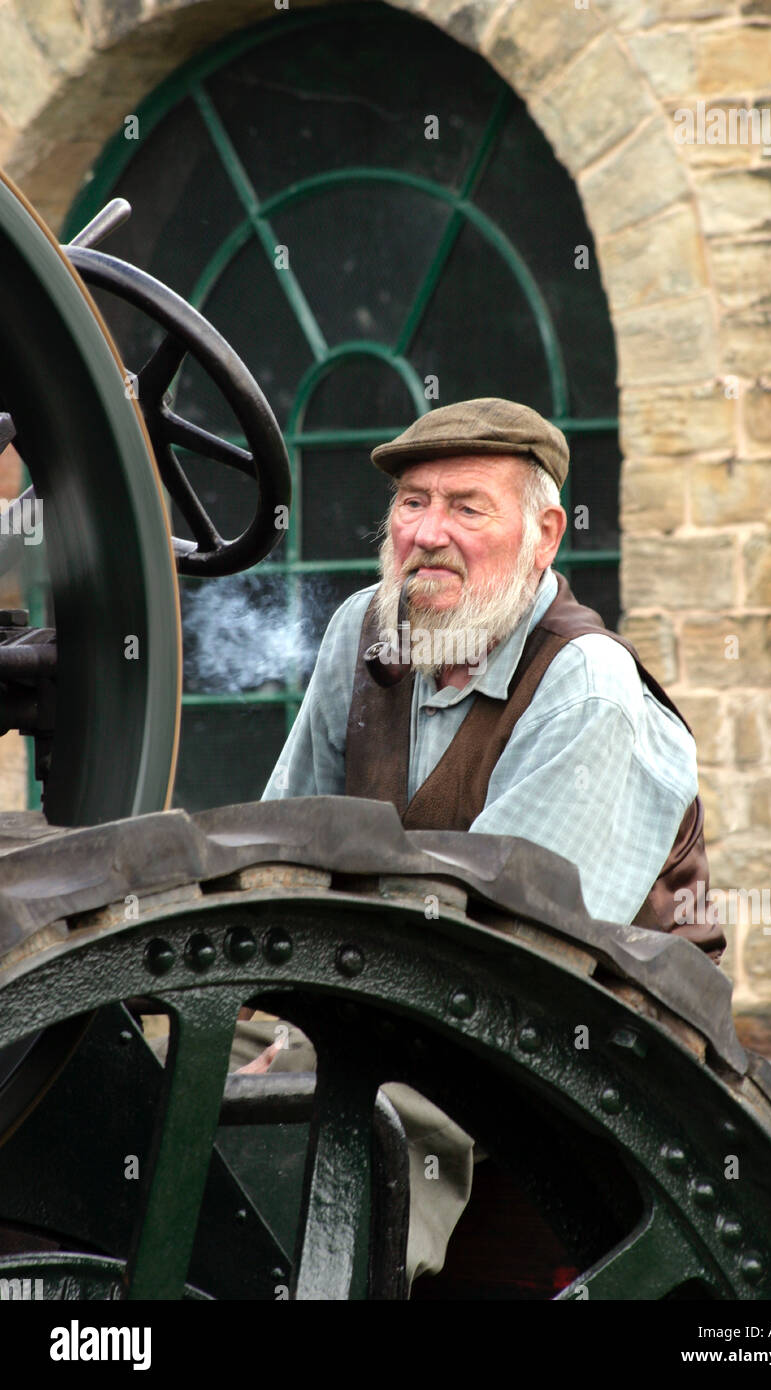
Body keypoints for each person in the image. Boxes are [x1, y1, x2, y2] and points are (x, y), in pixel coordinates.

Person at [255, 396, 723, 1284]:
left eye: (468, 507)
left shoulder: (589, 691)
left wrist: (320, 1037)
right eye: (411, 503)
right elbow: (284, 856)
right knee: (178, 1049)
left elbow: (498, 958)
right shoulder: (364, 631)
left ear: (544, 534)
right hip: (388, 992)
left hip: (585, 1050)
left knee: (384, 1105)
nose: (428, 533)